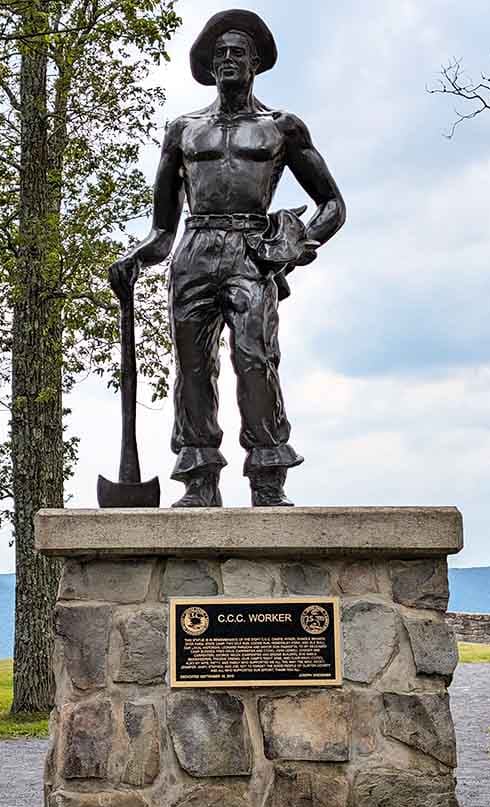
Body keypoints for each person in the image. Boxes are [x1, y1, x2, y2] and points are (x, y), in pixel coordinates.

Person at [109, 10, 345, 507]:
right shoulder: (183, 131)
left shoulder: (281, 128)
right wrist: (135, 258)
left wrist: (295, 244)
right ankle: (198, 478)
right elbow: (161, 230)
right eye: (220, 55)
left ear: (255, 62)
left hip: (251, 252)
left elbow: (332, 205)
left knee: (255, 360)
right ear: (209, 66)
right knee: (192, 367)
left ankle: (268, 475)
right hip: (194, 250)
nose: (229, 60)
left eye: (238, 52)